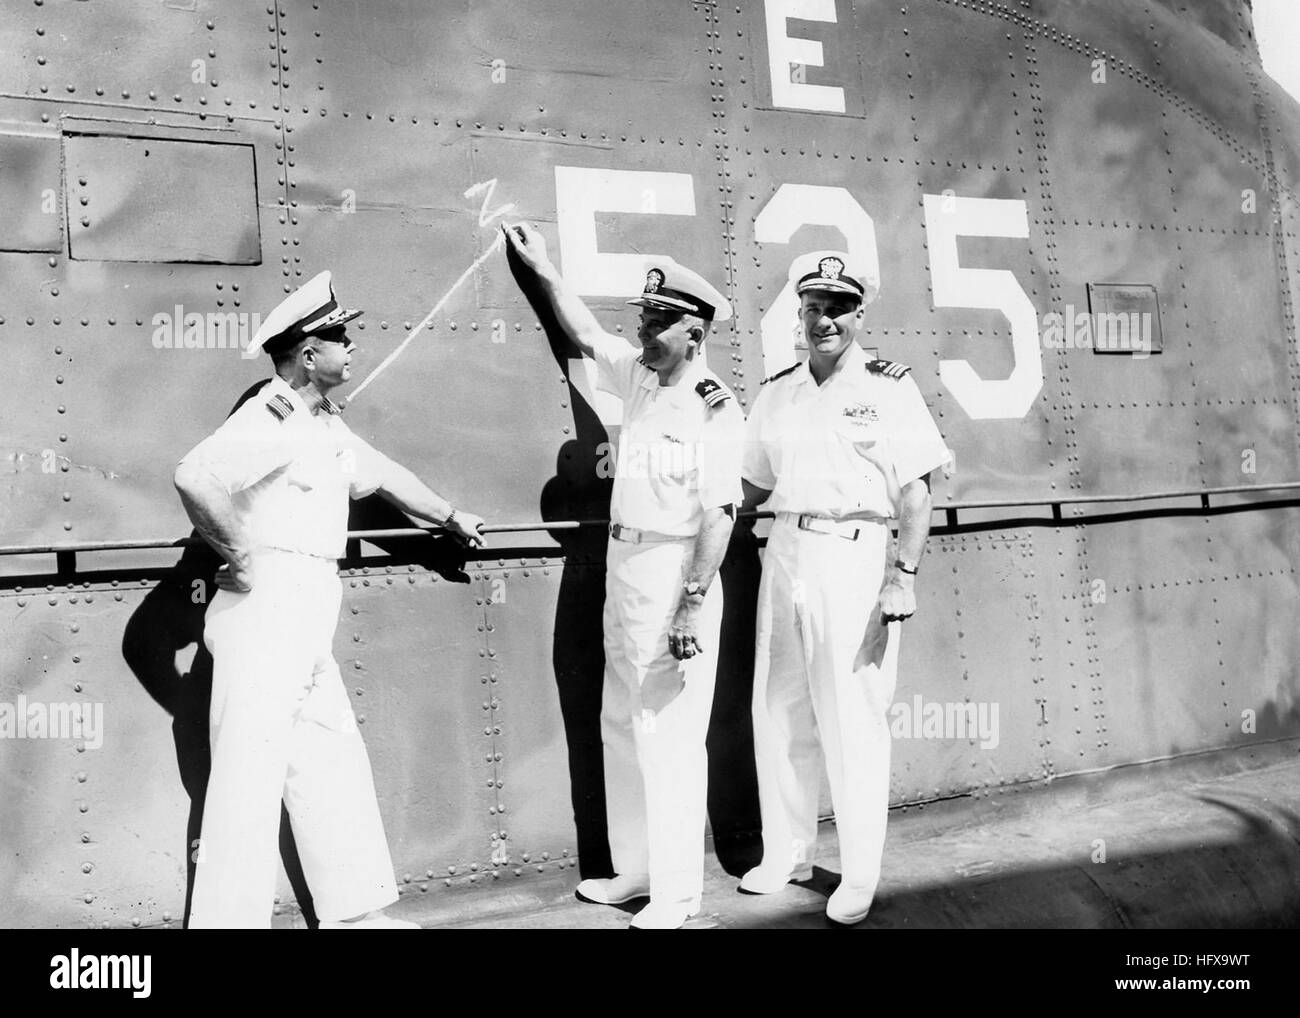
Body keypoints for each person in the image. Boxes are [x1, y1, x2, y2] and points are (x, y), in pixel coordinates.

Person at [173, 270, 486, 929]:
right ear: (308, 352)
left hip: (306, 613)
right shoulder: (272, 415)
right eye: (342, 336)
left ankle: (352, 913)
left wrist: (451, 515)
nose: (354, 347)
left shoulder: (324, 426)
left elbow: (387, 478)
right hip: (266, 611)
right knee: (246, 781)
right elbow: (196, 476)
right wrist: (243, 555)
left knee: (329, 759)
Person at [502, 223, 743, 930]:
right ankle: (632, 869)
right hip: (626, 565)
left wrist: (691, 606)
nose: (645, 329)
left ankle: (677, 893)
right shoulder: (641, 374)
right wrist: (544, 268)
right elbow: (581, 335)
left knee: (668, 736)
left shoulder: (714, 407)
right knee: (620, 724)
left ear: (693, 333)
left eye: (659, 321)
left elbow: (720, 517)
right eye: (644, 316)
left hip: (675, 573)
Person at [737, 250, 951, 925]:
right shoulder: (776, 391)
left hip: (856, 552)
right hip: (787, 551)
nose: (823, 318)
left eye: (838, 307)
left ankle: (858, 874)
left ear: (860, 314)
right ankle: (789, 852)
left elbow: (916, 494)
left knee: (853, 720)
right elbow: (749, 486)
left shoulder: (889, 387)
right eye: (813, 306)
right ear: (799, 312)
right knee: (777, 711)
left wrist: (903, 578)